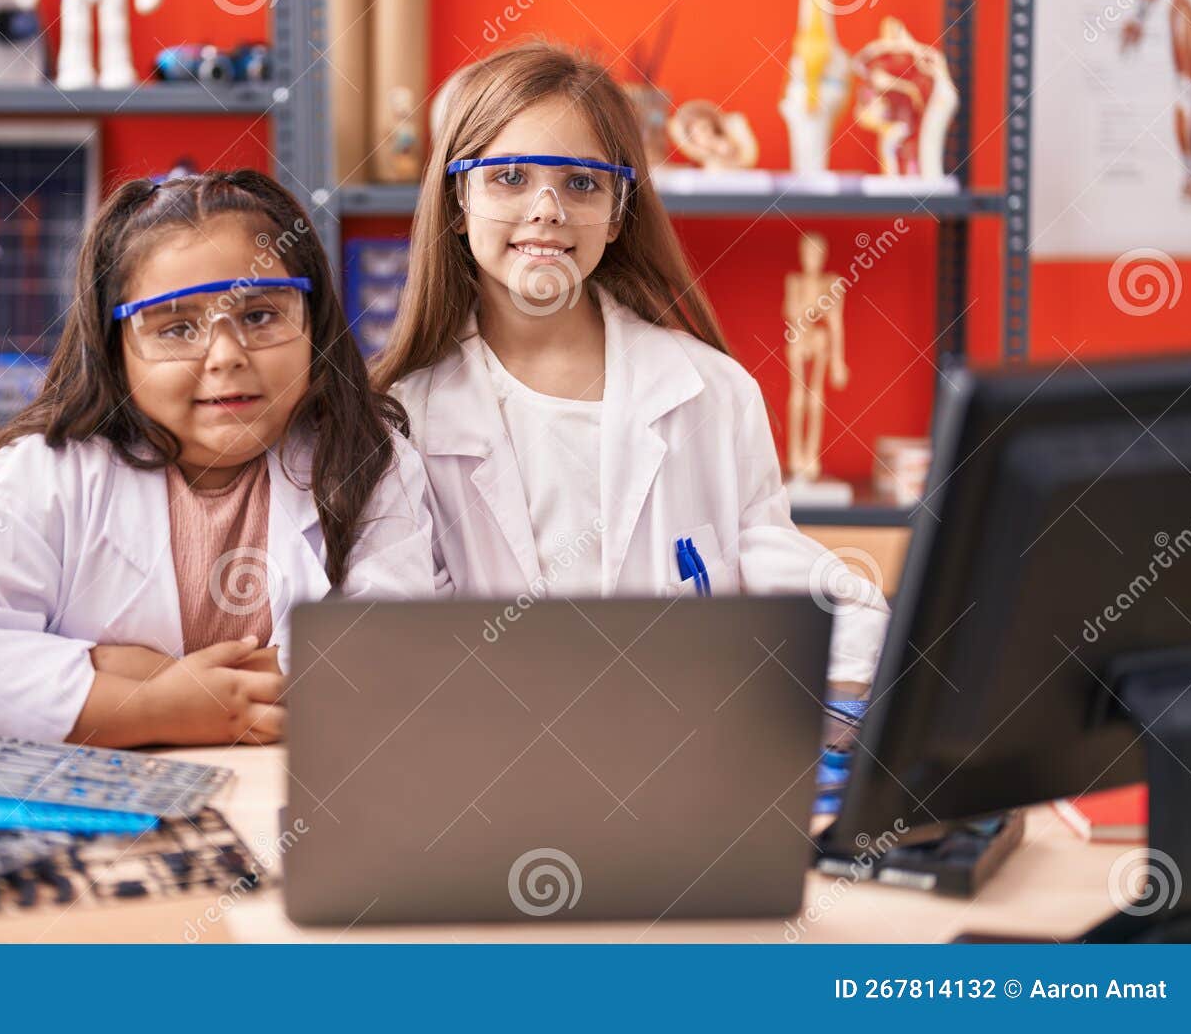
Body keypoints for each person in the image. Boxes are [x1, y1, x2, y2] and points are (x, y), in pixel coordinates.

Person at [372, 41, 887, 694]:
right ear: (456, 203)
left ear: (618, 214)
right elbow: (392, 641)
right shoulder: (402, 418)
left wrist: (868, 648)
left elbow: (775, 565)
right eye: (510, 177)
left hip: (678, 743)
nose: (547, 208)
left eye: (581, 183)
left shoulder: (710, 392)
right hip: (490, 749)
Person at [0, 170, 444, 746]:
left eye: (259, 316)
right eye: (177, 328)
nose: (226, 355)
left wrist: (116, 671)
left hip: (298, 792)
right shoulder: (41, 479)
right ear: (114, 350)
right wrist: (159, 707)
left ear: (314, 322)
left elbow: (390, 659)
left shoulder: (366, 459)